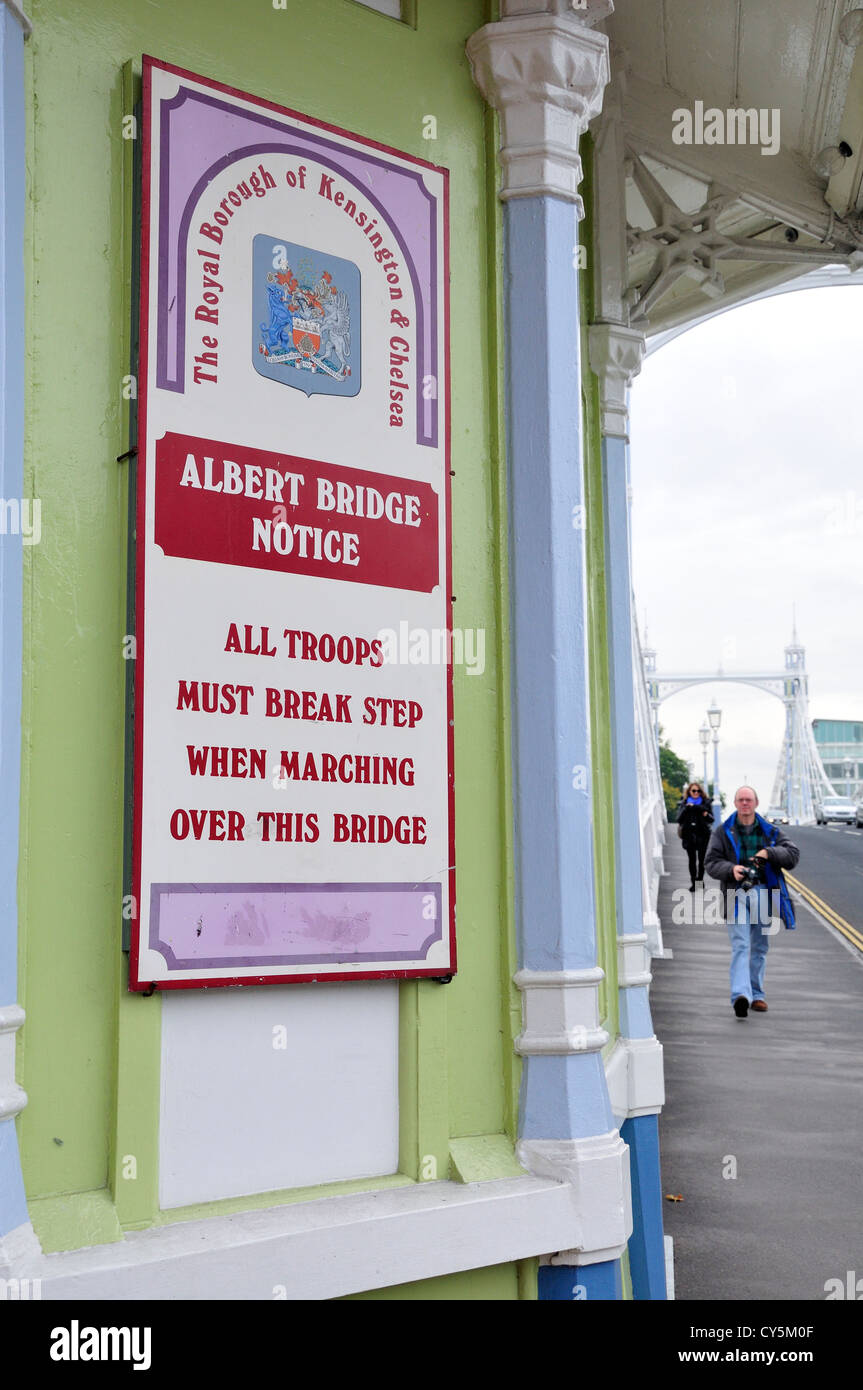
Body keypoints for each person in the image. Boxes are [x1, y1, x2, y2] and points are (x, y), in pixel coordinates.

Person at [705, 785, 799, 1019]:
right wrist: (731, 869)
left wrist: (769, 853)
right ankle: (740, 995)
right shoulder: (723, 831)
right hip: (735, 894)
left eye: (749, 799)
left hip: (764, 892)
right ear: (735, 804)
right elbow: (711, 862)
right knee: (740, 945)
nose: (745, 803)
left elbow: (793, 855)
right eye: (741, 800)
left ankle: (757, 994)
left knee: (759, 946)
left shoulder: (770, 831)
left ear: (756, 803)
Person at [677, 781, 714, 891]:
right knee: (692, 860)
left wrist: (701, 810)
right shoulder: (684, 803)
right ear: (689, 792)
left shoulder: (706, 804)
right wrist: (686, 809)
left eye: (698, 791)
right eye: (693, 791)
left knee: (702, 861)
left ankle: (700, 881)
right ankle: (694, 882)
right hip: (689, 834)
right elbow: (679, 819)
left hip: (703, 834)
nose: (696, 793)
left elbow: (711, 819)